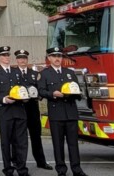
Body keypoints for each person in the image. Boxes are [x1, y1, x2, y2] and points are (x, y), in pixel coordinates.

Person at [38, 48, 87, 176]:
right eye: (54, 56)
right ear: (49, 58)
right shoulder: (45, 74)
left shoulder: (69, 73)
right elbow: (41, 91)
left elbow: (78, 91)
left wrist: (76, 94)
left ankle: (77, 169)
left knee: (73, 144)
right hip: (56, 114)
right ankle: (61, 170)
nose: (57, 58)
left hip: (71, 113)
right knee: (58, 145)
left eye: (59, 55)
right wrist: (52, 94)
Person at [0, 47, 28, 176]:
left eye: (7, 55)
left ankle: (22, 168)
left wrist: (25, 96)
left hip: (19, 110)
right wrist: (3, 99)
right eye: (3, 55)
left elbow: (22, 88)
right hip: (5, 111)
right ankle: (8, 169)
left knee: (21, 142)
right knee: (6, 142)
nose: (6, 57)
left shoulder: (17, 72)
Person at [14, 50, 50, 171]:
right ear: (17, 60)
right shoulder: (13, 73)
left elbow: (41, 89)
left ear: (27, 59)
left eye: (24, 58)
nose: (22, 60)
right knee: (18, 138)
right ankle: (17, 162)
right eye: (20, 58)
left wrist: (39, 96)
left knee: (36, 137)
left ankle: (41, 162)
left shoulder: (34, 74)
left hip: (32, 109)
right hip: (18, 109)